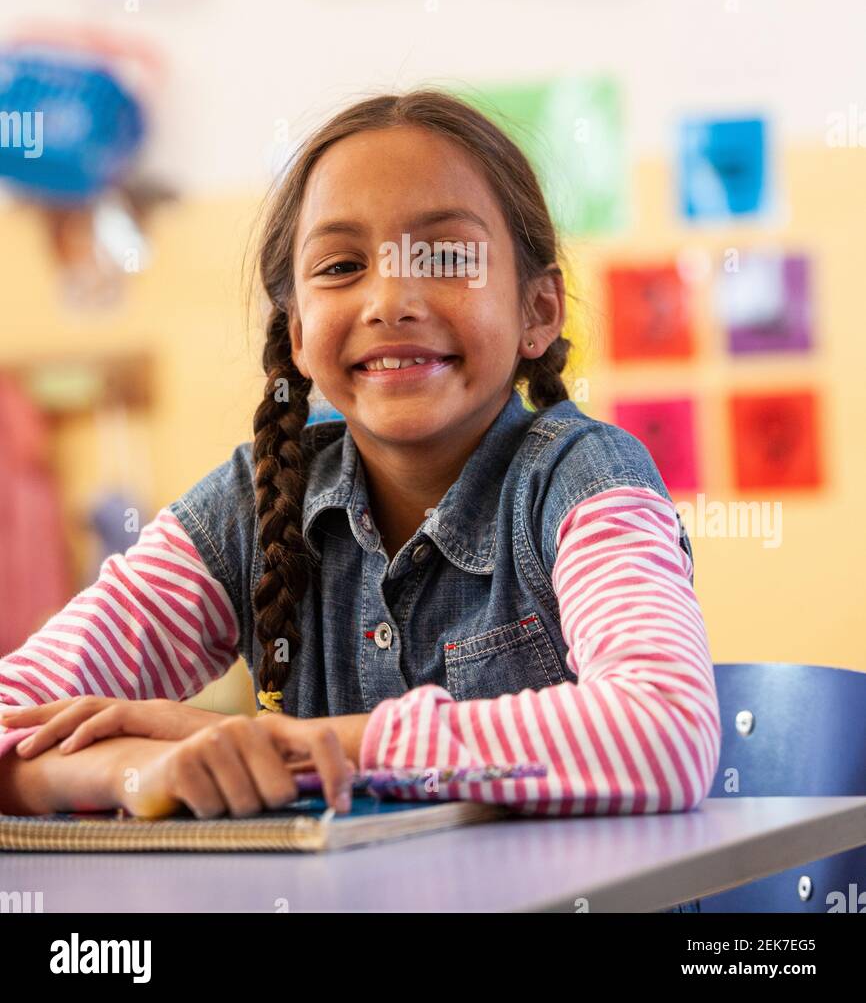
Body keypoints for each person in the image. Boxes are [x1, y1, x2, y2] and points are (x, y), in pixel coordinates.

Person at [0, 90, 720, 901]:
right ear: (299, 333)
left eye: (447, 256)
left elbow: (665, 734)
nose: (389, 301)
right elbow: (14, 715)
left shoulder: (585, 479)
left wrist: (296, 745)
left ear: (538, 308)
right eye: (342, 267)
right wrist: (132, 769)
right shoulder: (250, 503)